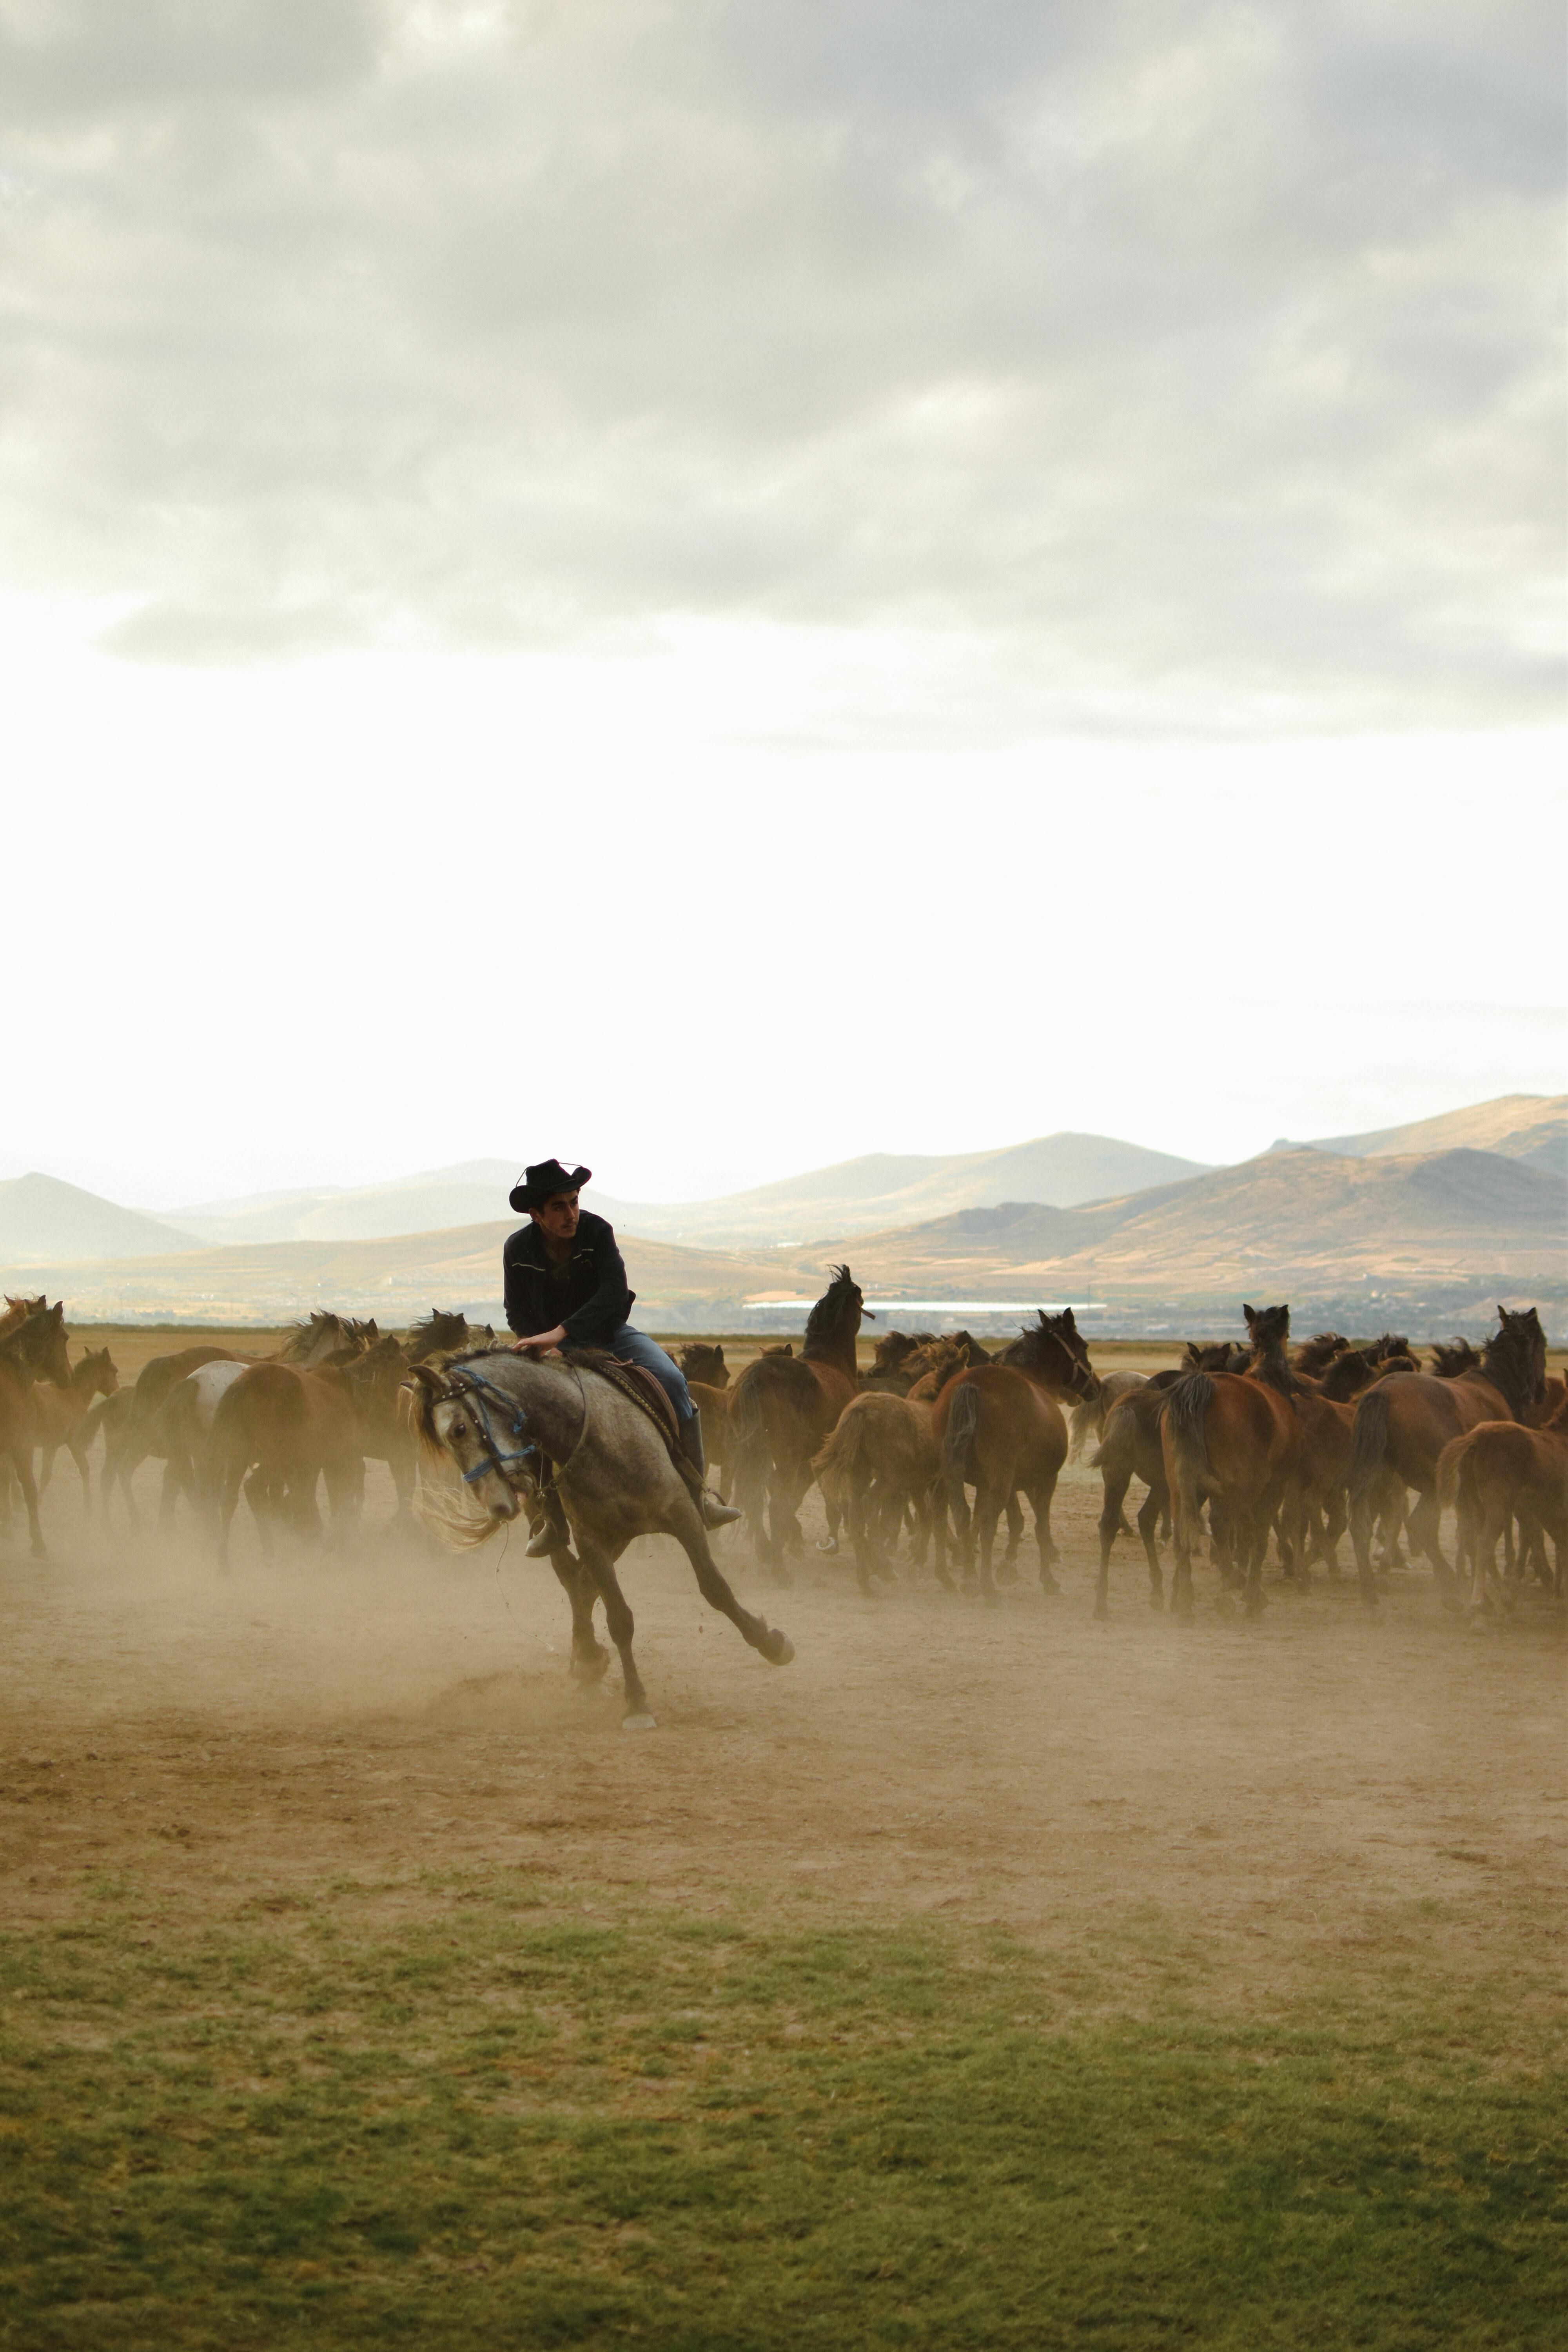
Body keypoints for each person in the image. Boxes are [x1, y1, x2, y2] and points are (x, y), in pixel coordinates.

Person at [503, 1157, 741, 1554]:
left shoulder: (597, 1232)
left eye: (574, 1202)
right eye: (559, 1206)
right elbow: (516, 1310)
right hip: (549, 1345)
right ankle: (550, 1518)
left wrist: (564, 1333)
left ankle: (697, 1497)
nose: (571, 1213)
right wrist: (538, 1341)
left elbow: (613, 1292)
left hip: (610, 1335)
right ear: (537, 1214)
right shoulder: (518, 1248)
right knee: (525, 1416)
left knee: (672, 1380)